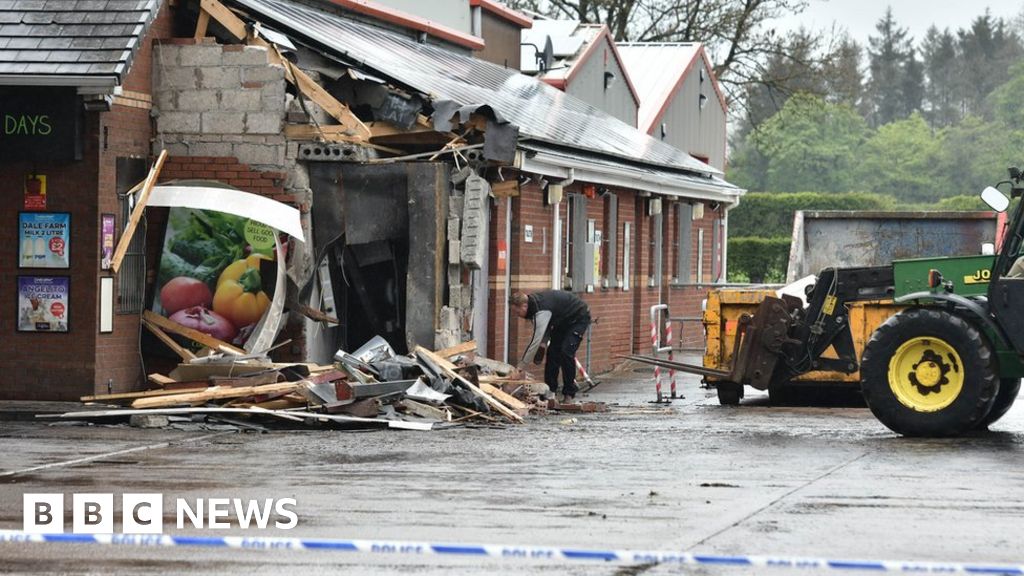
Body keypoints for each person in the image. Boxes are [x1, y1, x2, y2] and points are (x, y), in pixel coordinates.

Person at [510, 290, 591, 402]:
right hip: (561, 321)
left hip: (578, 318)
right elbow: (545, 326)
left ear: (524, 306)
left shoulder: (540, 311)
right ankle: (550, 391)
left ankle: (569, 393)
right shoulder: (534, 306)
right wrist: (543, 343)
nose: (517, 315)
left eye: (517, 312)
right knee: (552, 353)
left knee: (566, 352)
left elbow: (535, 341)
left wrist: (520, 368)